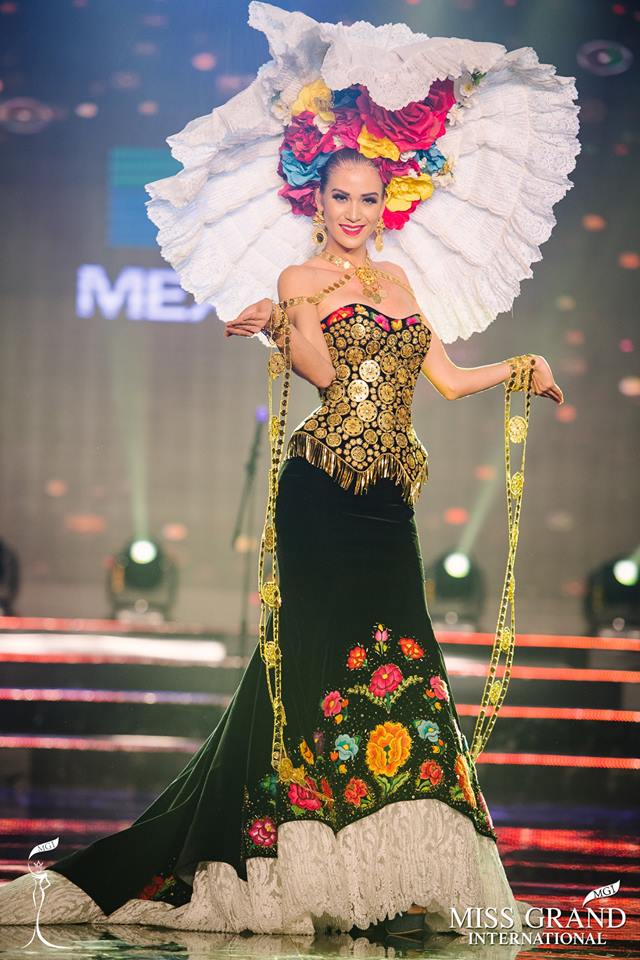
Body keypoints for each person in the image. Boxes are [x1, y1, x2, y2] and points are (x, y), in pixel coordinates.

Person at [0, 148, 563, 940]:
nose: (356, 212)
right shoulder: (299, 281)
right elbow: (328, 376)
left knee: (406, 662)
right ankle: (316, 869)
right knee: (316, 666)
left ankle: (400, 873)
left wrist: (522, 365)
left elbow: (446, 378)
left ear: (384, 203)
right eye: (342, 196)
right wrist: (281, 327)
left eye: (369, 198)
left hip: (388, 503)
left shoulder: (401, 284)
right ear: (319, 200)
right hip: (323, 493)